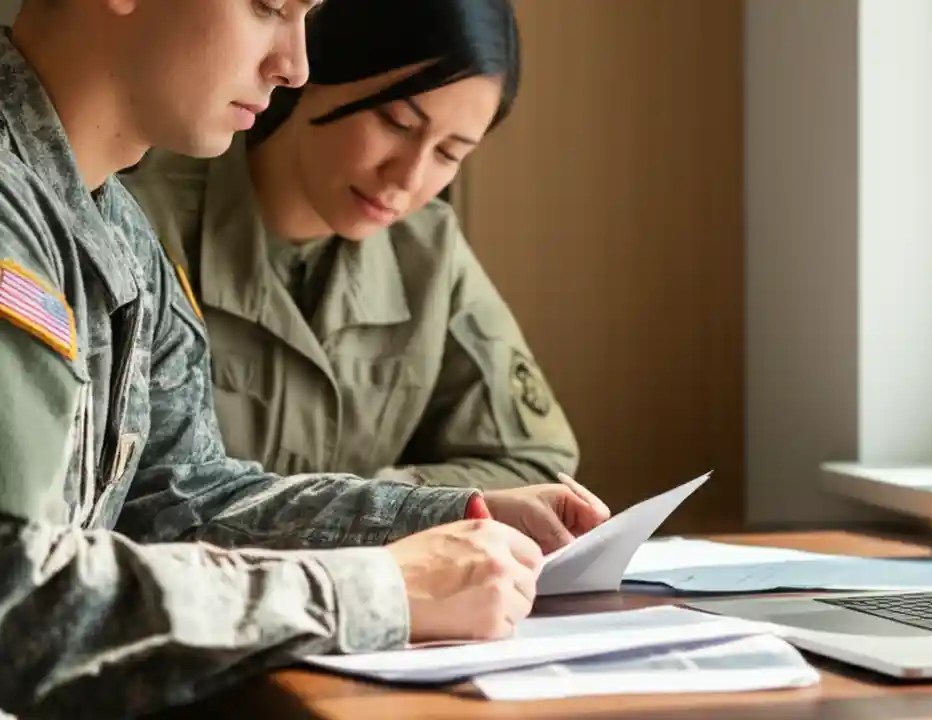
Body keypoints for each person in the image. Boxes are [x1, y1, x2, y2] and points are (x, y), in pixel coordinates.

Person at [0, 1, 606, 716]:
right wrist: (382, 588)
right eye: (268, 6)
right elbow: (17, 599)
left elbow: (182, 500)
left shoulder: (115, 228)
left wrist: (442, 516)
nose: (295, 67)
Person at [123, 0, 578, 492]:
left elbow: (536, 463)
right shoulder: (143, 223)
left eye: (450, 154)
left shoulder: (427, 252)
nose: (408, 179)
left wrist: (391, 499)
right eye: (396, 123)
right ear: (314, 68)